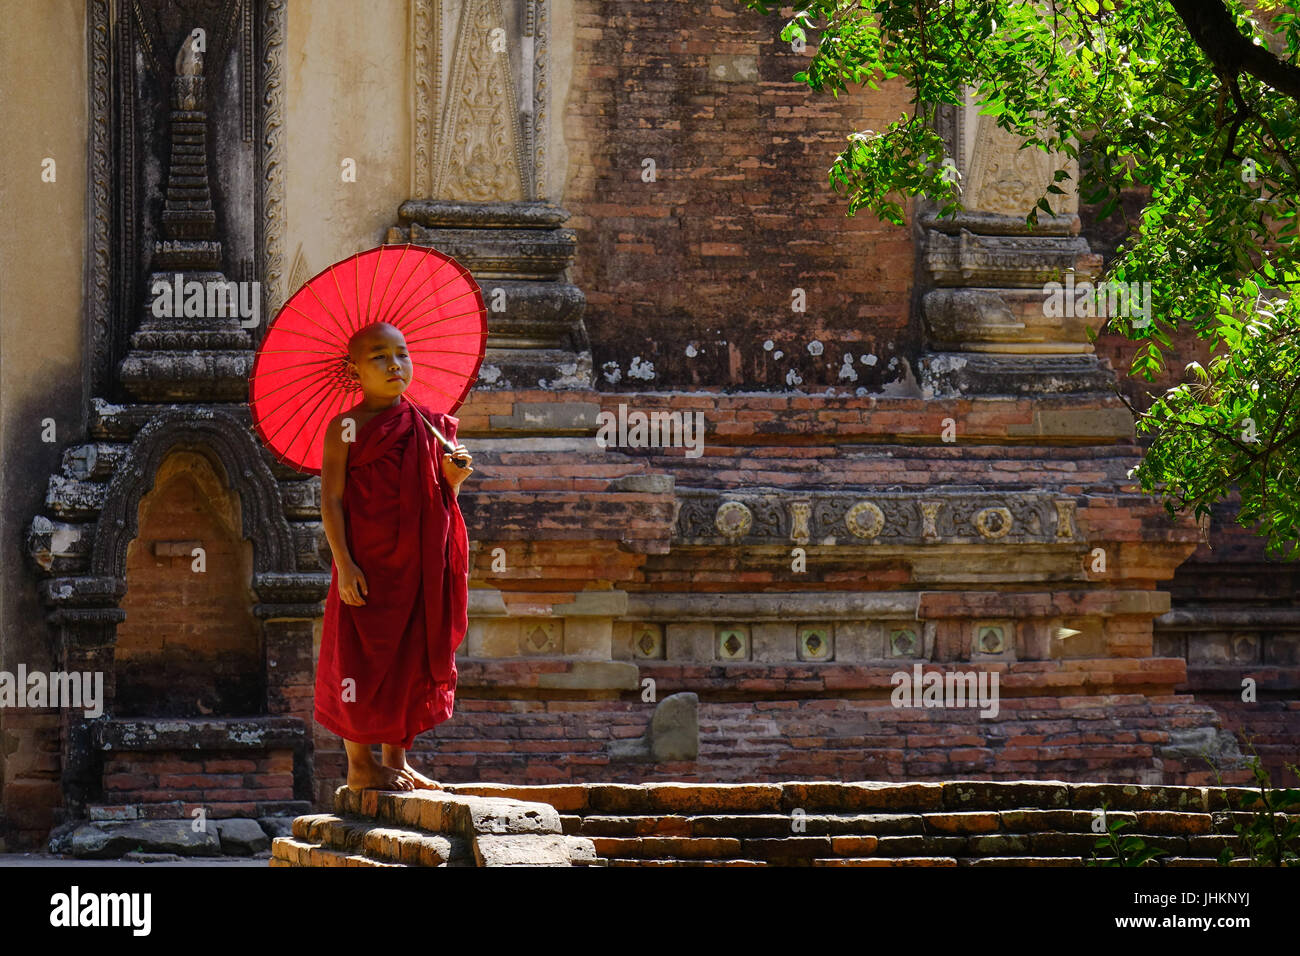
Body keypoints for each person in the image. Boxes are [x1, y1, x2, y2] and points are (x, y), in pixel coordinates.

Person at [314, 320, 474, 791]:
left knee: (410, 654)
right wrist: (344, 564)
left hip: (418, 565)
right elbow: (332, 501)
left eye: (401, 353)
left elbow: (435, 495)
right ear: (354, 369)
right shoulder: (345, 427)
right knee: (359, 657)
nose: (394, 365)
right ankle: (360, 765)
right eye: (379, 356)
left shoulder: (428, 423)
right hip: (366, 564)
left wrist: (453, 480)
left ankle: (397, 759)